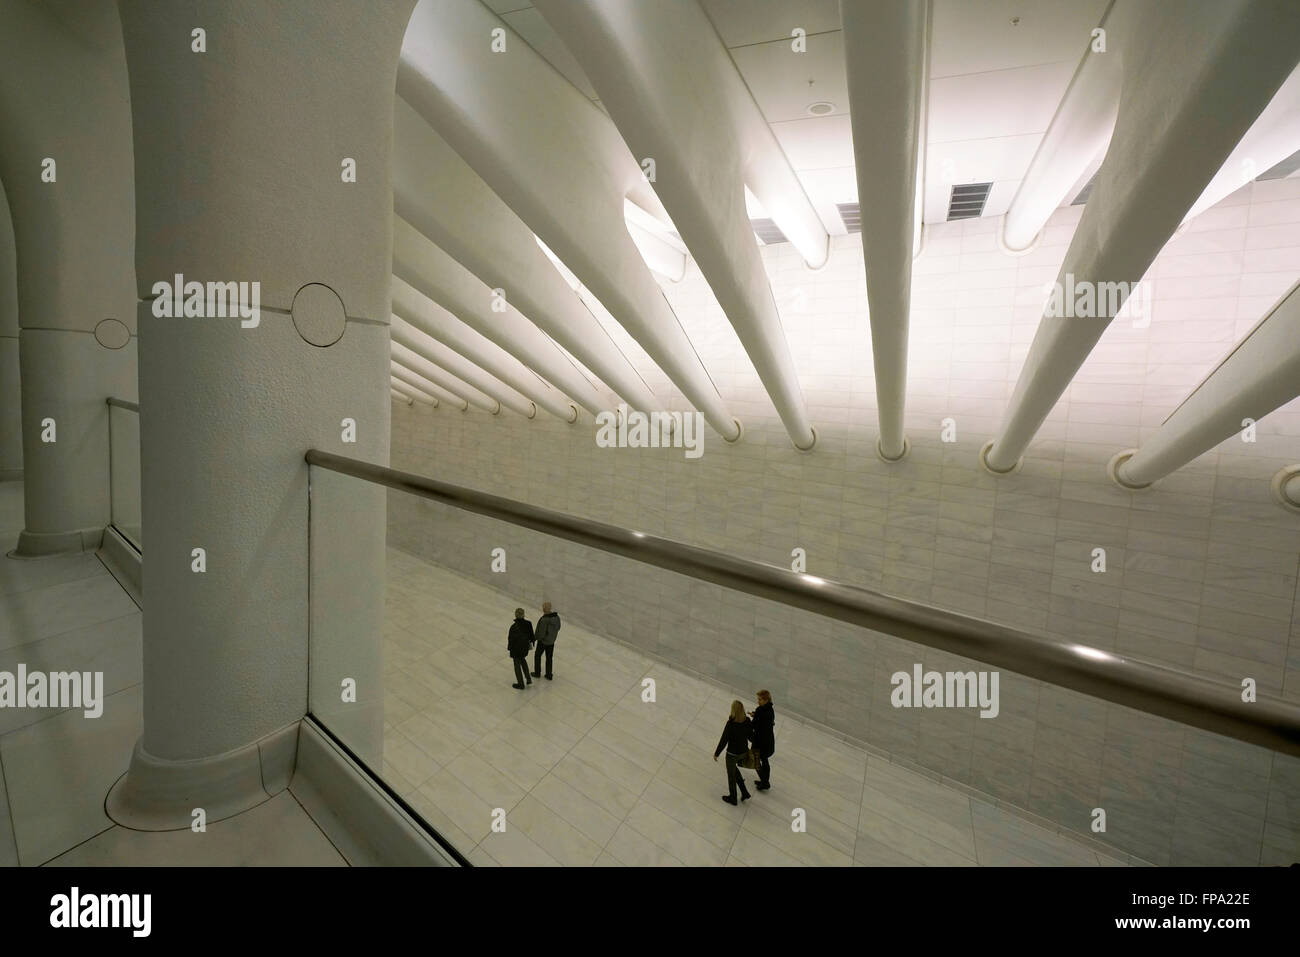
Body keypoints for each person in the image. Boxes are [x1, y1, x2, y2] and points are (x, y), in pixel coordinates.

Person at [712, 699, 753, 805]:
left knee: (731, 775)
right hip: (743, 752)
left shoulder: (731, 724)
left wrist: (717, 753)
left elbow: (724, 739)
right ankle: (744, 792)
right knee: (735, 771)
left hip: (732, 755)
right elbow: (751, 737)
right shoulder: (747, 721)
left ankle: (733, 797)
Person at [749, 690, 775, 791]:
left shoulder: (761, 711)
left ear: (766, 700)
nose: (758, 701)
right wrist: (756, 715)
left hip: (760, 741)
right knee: (764, 761)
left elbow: (755, 725)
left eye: (760, 699)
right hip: (767, 741)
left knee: (755, 761)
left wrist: (747, 722)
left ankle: (764, 782)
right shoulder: (769, 710)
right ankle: (765, 781)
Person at [531, 601, 561, 680]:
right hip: (551, 641)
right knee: (549, 658)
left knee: (537, 655)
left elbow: (541, 633)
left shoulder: (545, 620)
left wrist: (536, 638)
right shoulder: (557, 617)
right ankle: (549, 674)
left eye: (543, 608)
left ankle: (537, 673)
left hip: (543, 642)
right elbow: (558, 628)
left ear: (544, 609)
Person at [507, 608, 534, 689]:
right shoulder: (529, 624)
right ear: (523, 615)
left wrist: (510, 649)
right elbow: (532, 636)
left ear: (516, 615)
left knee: (517, 666)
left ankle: (520, 684)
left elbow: (511, 640)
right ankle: (528, 679)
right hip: (524, 649)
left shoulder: (513, 627)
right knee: (523, 661)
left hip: (516, 650)